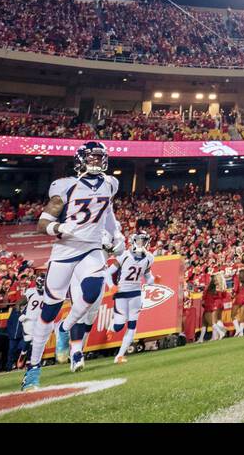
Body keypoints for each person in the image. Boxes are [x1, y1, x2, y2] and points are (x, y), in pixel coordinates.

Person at [23, 141, 124, 390]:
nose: (96, 162)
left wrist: (117, 234)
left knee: (92, 292)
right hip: (65, 251)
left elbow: (107, 212)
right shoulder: (67, 185)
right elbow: (43, 221)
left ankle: (65, 328)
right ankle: (33, 369)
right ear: (80, 159)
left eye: (100, 158)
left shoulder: (110, 183)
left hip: (91, 248)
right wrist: (58, 228)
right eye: (91, 157)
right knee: (49, 310)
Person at [110, 233, 154, 363]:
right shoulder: (124, 255)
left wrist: (154, 279)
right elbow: (108, 273)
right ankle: (110, 327)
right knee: (118, 326)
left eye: (144, 241)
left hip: (135, 293)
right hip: (122, 292)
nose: (142, 243)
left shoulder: (149, 258)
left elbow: (148, 278)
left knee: (132, 325)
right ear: (134, 241)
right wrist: (111, 285)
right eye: (140, 241)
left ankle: (119, 355)